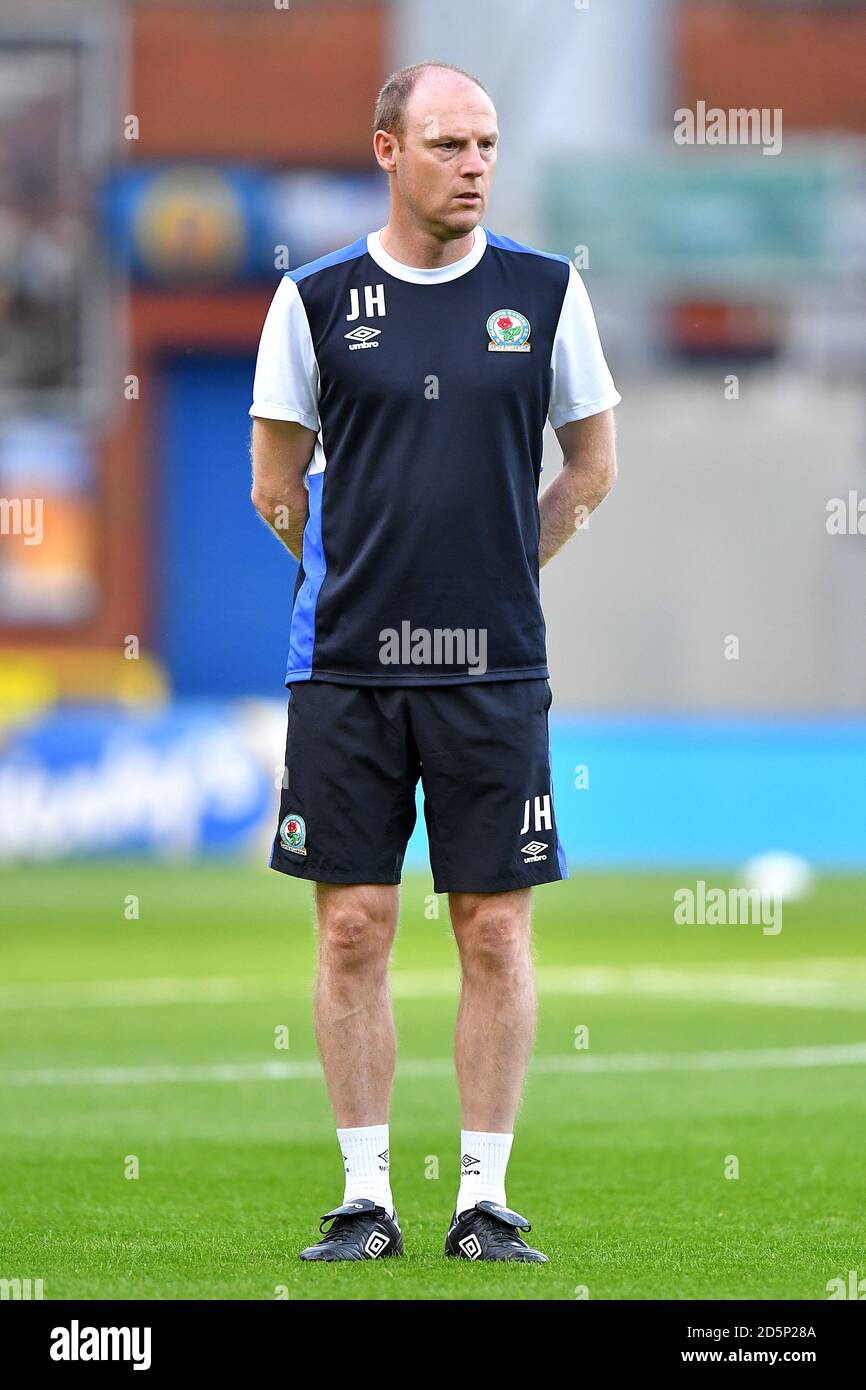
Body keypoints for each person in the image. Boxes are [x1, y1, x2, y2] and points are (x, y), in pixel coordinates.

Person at [249, 60, 620, 1262]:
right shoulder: (309, 302)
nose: (473, 166)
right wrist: (363, 583)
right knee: (353, 925)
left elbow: (591, 466)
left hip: (493, 669)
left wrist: (498, 574)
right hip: (347, 671)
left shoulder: (547, 292)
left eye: (487, 146)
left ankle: (482, 1201)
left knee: (492, 931)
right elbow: (273, 486)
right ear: (387, 151)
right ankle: (365, 1198)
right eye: (450, 145)